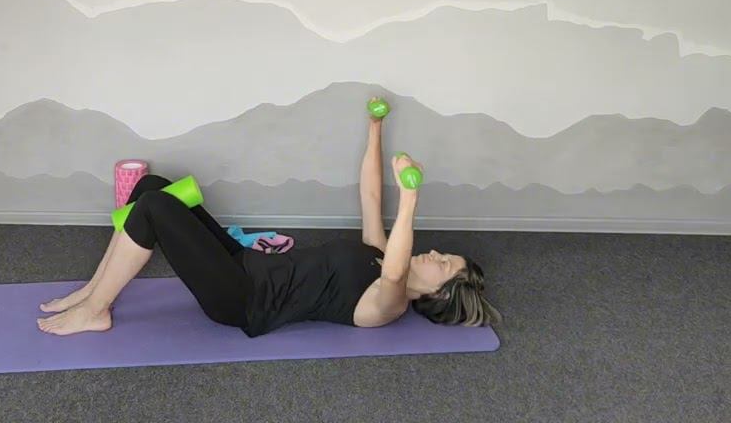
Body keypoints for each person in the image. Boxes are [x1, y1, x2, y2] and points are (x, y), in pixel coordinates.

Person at [37, 98, 501, 337]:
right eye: (444, 254)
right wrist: (375, 127)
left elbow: (396, 271)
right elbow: (369, 194)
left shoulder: (390, 305)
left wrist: (411, 196)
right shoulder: (378, 255)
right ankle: (94, 290)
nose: (435, 253)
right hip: (244, 263)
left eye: (444, 263)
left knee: (155, 209)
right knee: (152, 188)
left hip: (244, 299)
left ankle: (95, 312)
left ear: (439, 293)